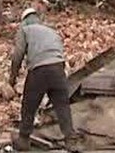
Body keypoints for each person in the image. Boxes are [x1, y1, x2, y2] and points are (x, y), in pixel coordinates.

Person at [9, 8, 78, 152]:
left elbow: (18, 54)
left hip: (39, 70)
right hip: (58, 69)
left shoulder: (26, 29)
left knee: (29, 105)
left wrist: (13, 77)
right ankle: (70, 141)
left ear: (24, 20)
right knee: (62, 106)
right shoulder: (51, 31)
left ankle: (23, 139)